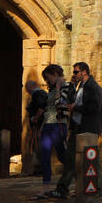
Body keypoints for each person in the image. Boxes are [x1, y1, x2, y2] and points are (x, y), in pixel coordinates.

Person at [54, 62, 102, 198]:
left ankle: (97, 188)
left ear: (84, 72)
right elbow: (71, 99)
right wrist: (71, 84)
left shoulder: (93, 87)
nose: (74, 74)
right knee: (71, 158)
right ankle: (63, 188)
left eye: (76, 72)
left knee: (92, 158)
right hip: (78, 126)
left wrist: (75, 107)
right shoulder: (80, 86)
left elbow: (95, 108)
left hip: (88, 127)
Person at [36, 64, 71, 192]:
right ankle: (45, 187)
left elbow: (59, 104)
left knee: (62, 155)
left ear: (55, 74)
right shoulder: (50, 89)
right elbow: (48, 109)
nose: (47, 81)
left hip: (59, 125)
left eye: (48, 77)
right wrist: (42, 127)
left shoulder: (67, 87)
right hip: (48, 126)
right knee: (44, 155)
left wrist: (57, 87)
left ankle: (76, 178)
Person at [24, 78, 48, 176]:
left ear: (32, 86)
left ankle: (41, 169)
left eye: (27, 88)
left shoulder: (38, 94)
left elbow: (42, 108)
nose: (27, 91)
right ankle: (38, 169)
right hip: (38, 126)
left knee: (40, 148)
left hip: (40, 126)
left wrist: (35, 118)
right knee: (37, 147)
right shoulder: (39, 94)